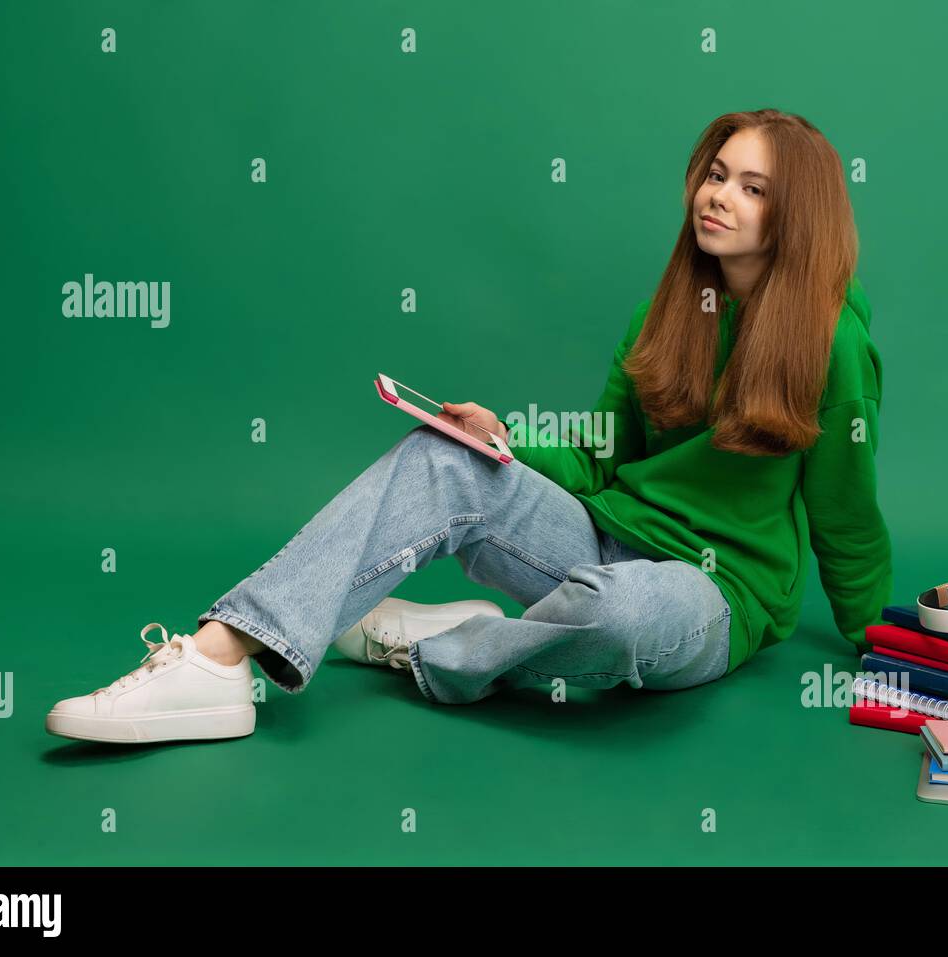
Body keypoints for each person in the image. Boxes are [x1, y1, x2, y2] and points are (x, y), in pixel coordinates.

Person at [45, 107, 893, 744]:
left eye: (753, 187)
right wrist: (506, 442)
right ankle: (217, 657)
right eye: (716, 173)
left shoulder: (832, 342)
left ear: (798, 215)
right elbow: (604, 458)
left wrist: (880, 642)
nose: (720, 196)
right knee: (442, 457)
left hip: (713, 594)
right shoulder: (663, 313)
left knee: (623, 615)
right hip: (600, 537)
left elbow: (846, 514)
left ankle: (445, 647)